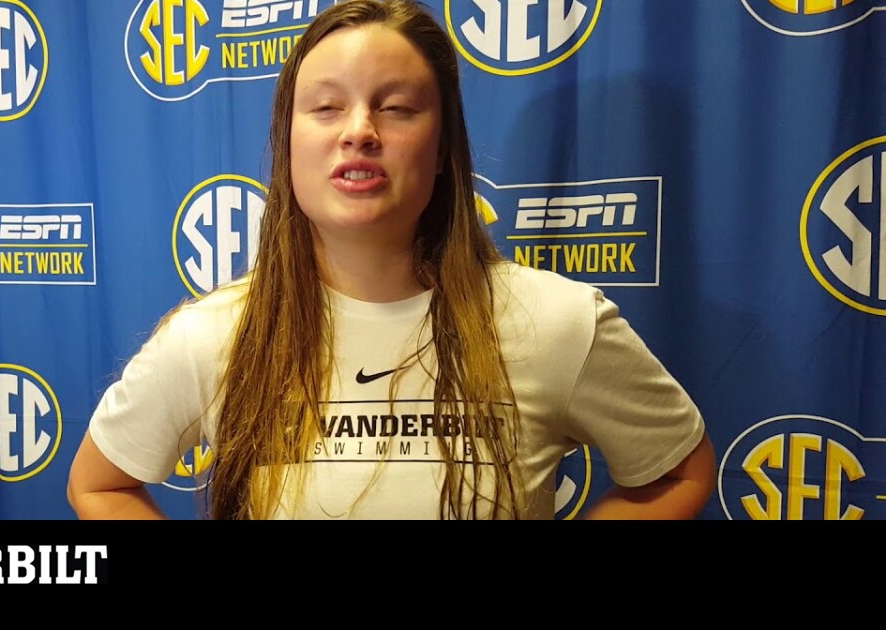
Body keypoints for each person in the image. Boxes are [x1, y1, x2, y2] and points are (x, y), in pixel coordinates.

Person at [67, 0, 716, 520]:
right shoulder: (215, 336)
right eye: (325, 107)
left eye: (397, 107)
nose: (359, 130)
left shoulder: (559, 321)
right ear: (287, 143)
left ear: (441, 150)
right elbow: (98, 485)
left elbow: (679, 471)